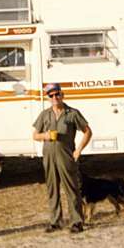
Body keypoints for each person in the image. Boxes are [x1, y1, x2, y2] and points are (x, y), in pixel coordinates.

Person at [32, 82, 92, 233]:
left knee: (72, 189)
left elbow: (87, 132)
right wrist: (45, 135)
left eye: (57, 94)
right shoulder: (45, 115)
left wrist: (78, 150)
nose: (54, 97)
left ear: (62, 94)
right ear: (48, 98)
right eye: (51, 95)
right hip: (49, 157)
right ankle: (55, 222)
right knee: (53, 189)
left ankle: (77, 222)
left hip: (66, 156)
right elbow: (34, 135)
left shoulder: (72, 113)